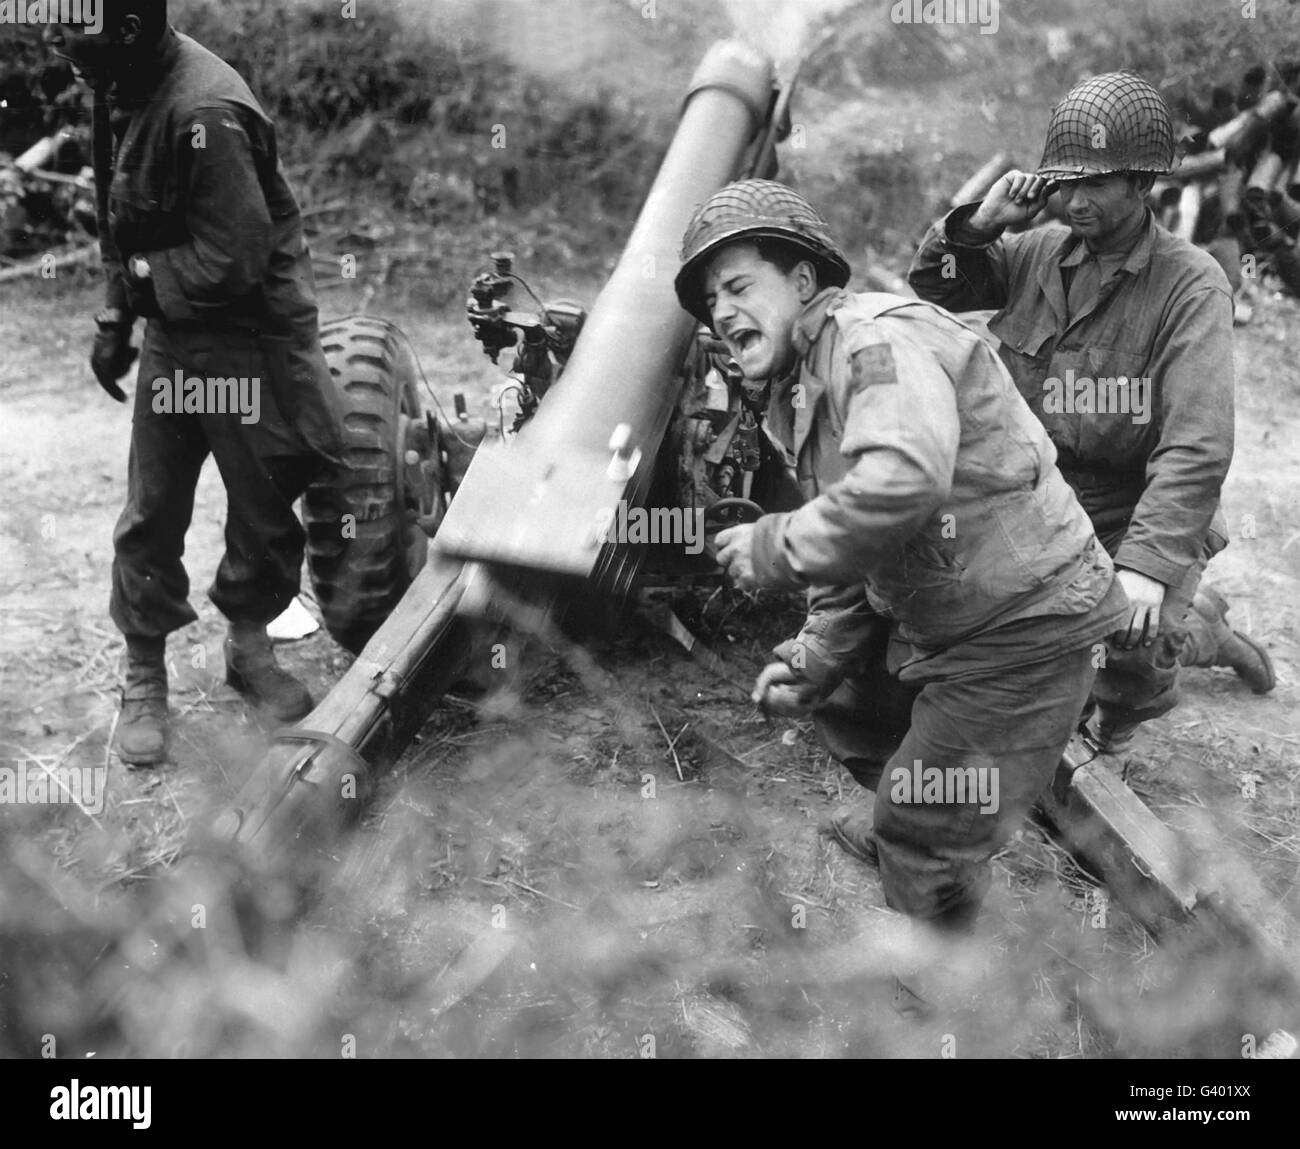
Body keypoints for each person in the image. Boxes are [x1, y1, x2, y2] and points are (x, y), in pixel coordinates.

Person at [675, 179, 1129, 932]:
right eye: (710, 302)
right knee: (844, 698)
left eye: (737, 286)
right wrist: (817, 655)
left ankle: (936, 925)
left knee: (922, 823)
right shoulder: (800, 384)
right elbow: (858, 545)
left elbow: (905, 480)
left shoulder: (869, 341)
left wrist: (775, 542)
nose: (721, 313)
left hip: (1024, 627)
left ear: (802, 279)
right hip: (957, 617)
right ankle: (925, 806)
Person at [908, 71, 1273, 757]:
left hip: (1131, 505)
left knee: (1132, 647)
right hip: (1038, 494)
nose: (1074, 201)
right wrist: (981, 225)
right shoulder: (1037, 252)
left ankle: (1194, 641)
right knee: (960, 607)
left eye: (1095, 184)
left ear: (1142, 183)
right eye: (1064, 183)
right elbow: (933, 289)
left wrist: (1147, 565)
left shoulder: (1191, 285)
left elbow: (1197, 445)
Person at [47, 1, 345, 766]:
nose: (71, 61)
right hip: (181, 334)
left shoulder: (207, 111)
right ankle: (143, 670)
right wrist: (116, 316)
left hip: (250, 337)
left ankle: (250, 647)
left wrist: (141, 279)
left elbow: (233, 260)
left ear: (134, 32)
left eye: (83, 47)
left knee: (263, 505)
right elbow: (127, 219)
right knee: (152, 504)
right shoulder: (119, 78)